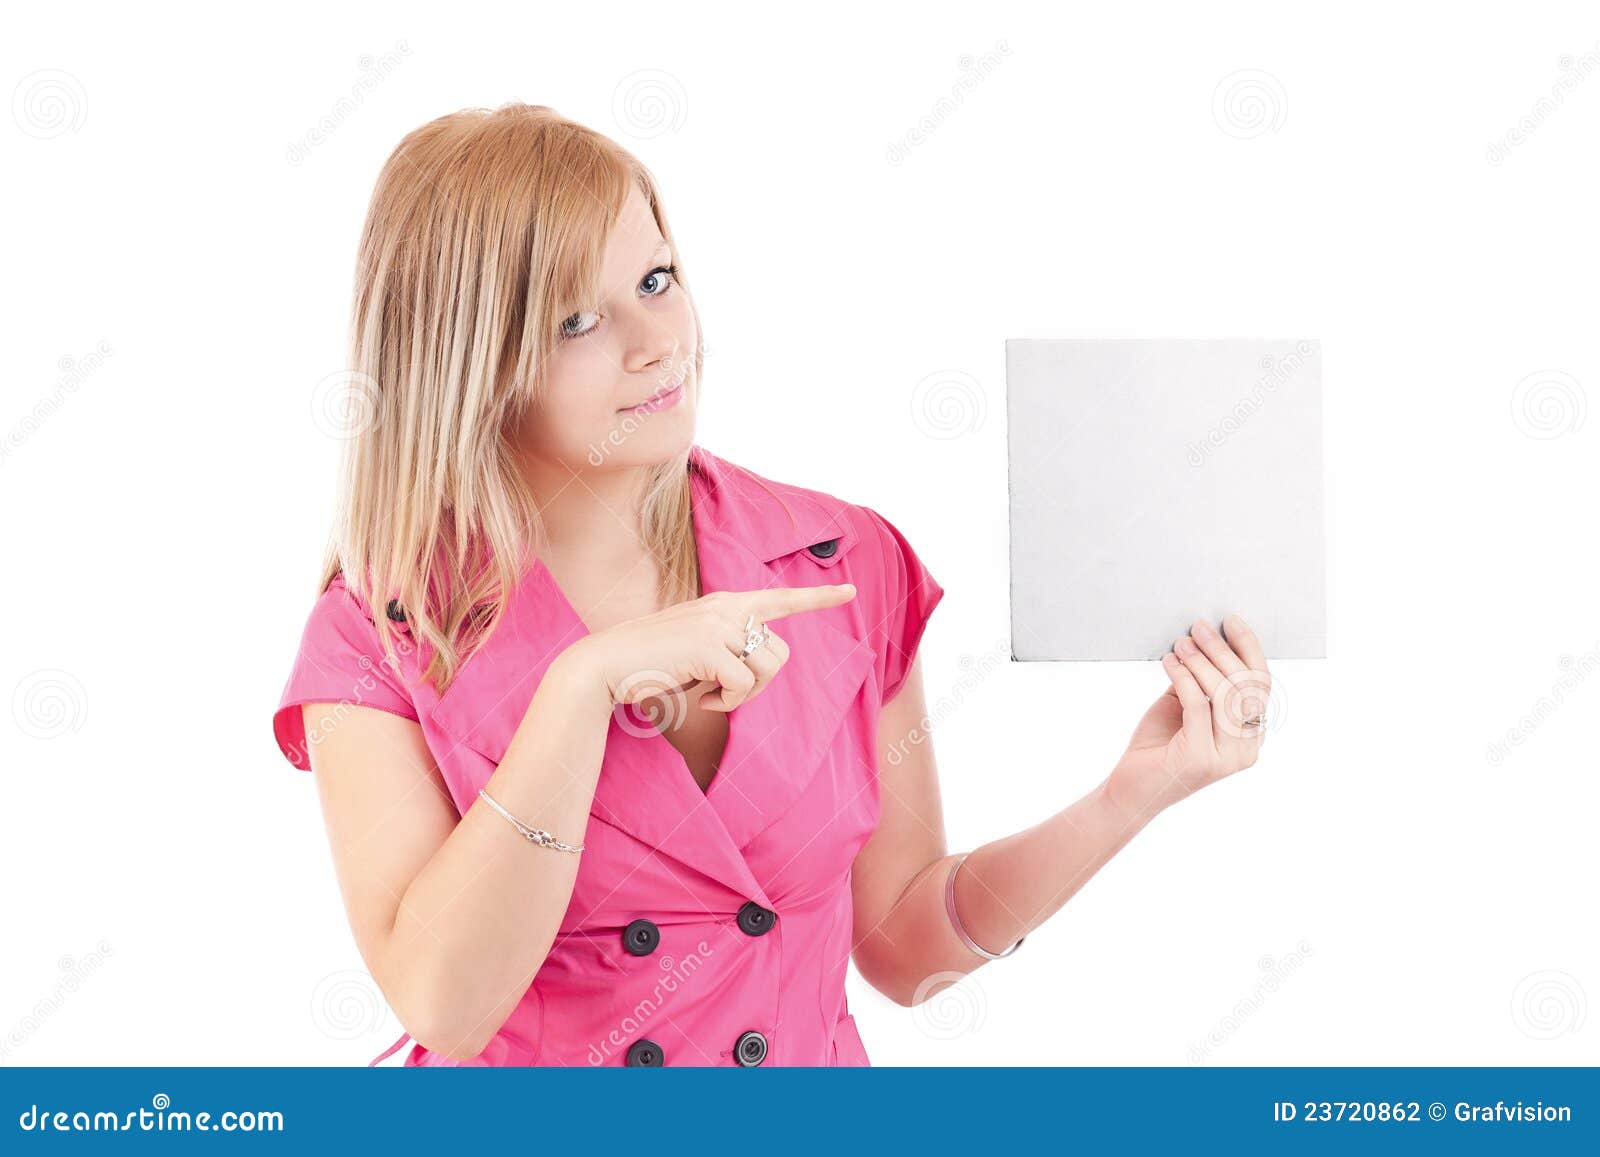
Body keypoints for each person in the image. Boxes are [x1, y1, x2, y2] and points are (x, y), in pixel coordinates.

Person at [270, 103, 1273, 1067]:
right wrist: (583, 686)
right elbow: (445, 1002)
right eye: (578, 318)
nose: (656, 340)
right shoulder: (378, 634)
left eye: (657, 279)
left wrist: (1131, 795)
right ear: (469, 363)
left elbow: (905, 949)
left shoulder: (840, 560)